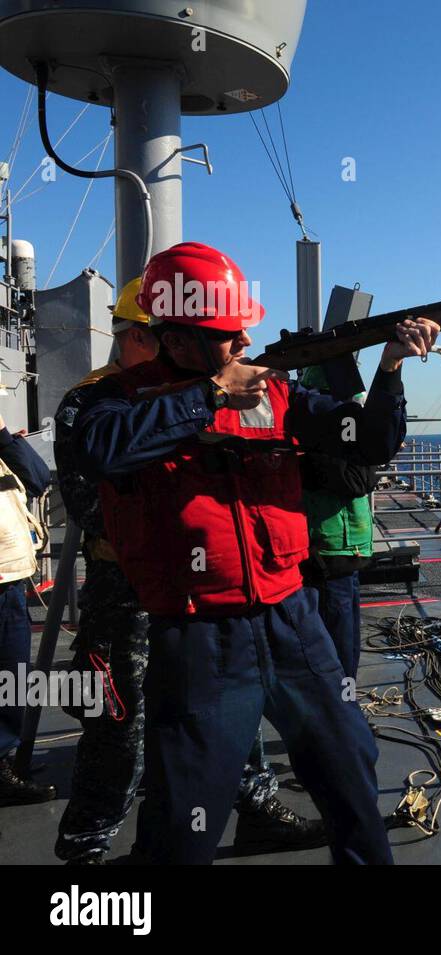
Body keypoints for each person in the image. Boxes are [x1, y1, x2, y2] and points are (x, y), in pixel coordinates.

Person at [71, 242, 436, 864]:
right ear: (176, 338)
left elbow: (367, 439)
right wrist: (210, 396)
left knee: (350, 768)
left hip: (294, 620)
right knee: (184, 815)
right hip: (199, 637)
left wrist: (391, 368)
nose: (243, 342)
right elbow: (96, 451)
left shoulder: (275, 395)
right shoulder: (114, 400)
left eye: (243, 328)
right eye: (225, 334)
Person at [53, 279, 325, 863]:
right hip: (127, 591)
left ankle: (256, 808)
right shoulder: (97, 401)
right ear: (136, 338)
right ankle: (87, 849)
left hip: (211, 587)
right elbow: (90, 503)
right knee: (118, 722)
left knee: (236, 708)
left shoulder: (216, 392)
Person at [297, 362, 376, 681]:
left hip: (344, 551)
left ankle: (343, 707)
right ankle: (340, 714)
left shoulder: (313, 429)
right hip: (330, 550)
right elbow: (358, 481)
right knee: (336, 645)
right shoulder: (325, 436)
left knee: (342, 639)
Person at [0, 412, 55, 805]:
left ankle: (3, 760)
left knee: (12, 676)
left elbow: (38, 477)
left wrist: (4, 438)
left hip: (11, 578)